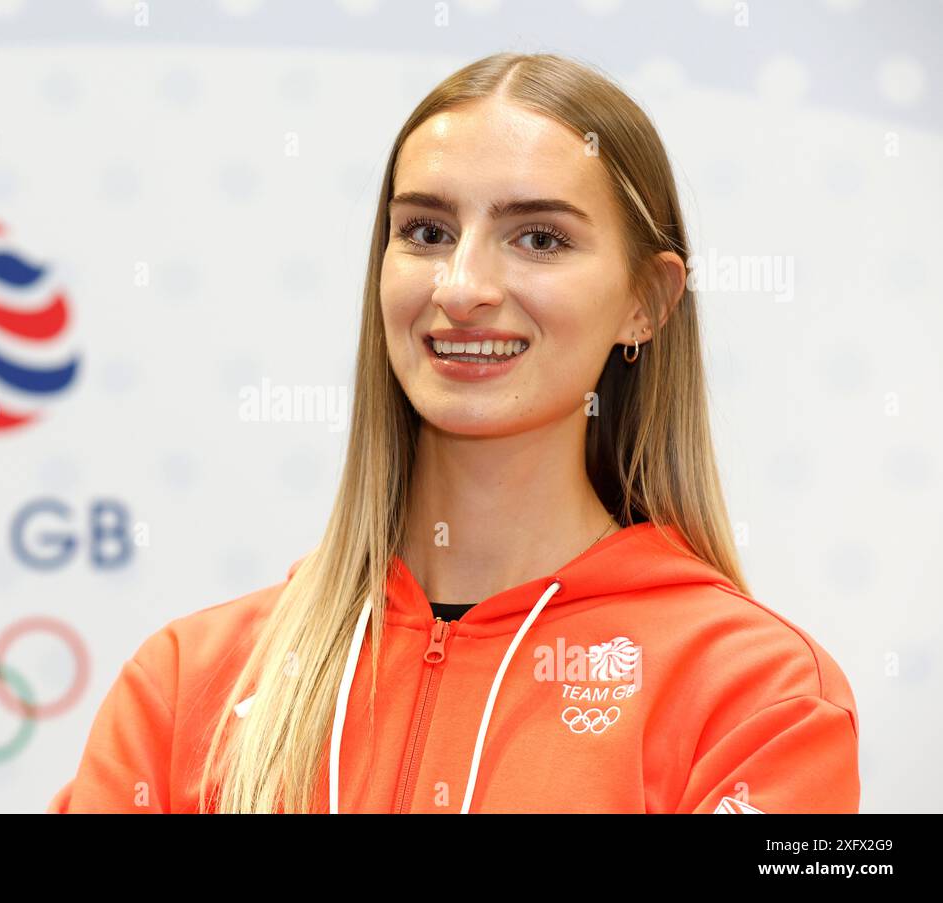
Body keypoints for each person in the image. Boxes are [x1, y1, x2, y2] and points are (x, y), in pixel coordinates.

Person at [47, 51, 858, 814]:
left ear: (645, 300)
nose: (463, 286)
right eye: (427, 232)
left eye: (539, 237)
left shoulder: (758, 695)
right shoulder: (189, 681)